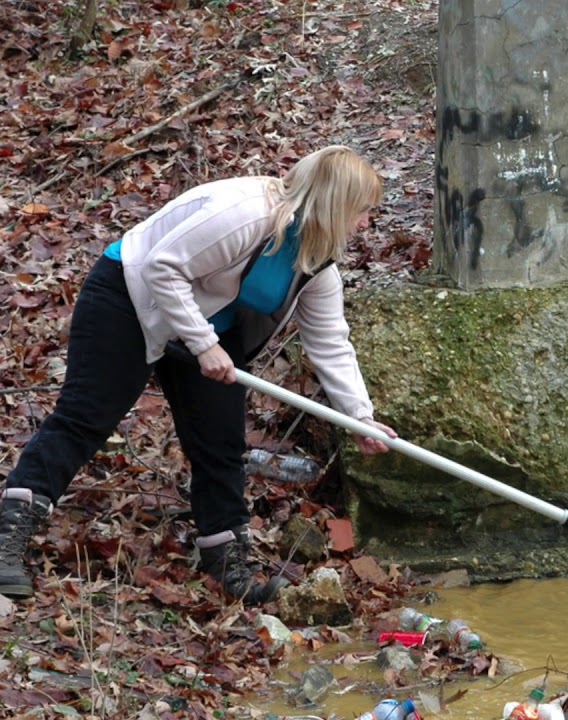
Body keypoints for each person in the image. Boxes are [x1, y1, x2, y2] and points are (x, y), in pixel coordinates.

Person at [0, 145, 398, 604]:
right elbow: (160, 266)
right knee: (86, 418)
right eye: (363, 212)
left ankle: (226, 560)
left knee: (222, 442)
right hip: (129, 297)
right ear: (335, 204)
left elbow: (330, 341)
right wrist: (203, 345)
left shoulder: (315, 262)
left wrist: (360, 417)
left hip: (209, 325)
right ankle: (12, 531)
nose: (366, 224)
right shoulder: (246, 214)